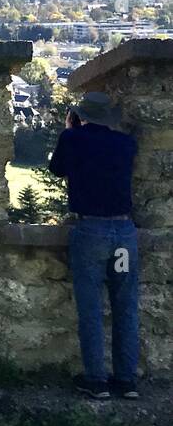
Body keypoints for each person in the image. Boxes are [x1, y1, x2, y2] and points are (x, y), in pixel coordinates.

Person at [48, 91, 140, 400]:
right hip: (125, 233)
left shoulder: (74, 139)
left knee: (91, 308)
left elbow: (57, 169)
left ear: (80, 114)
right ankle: (127, 381)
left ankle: (96, 380)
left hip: (91, 231)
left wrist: (71, 130)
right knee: (125, 307)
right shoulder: (127, 145)